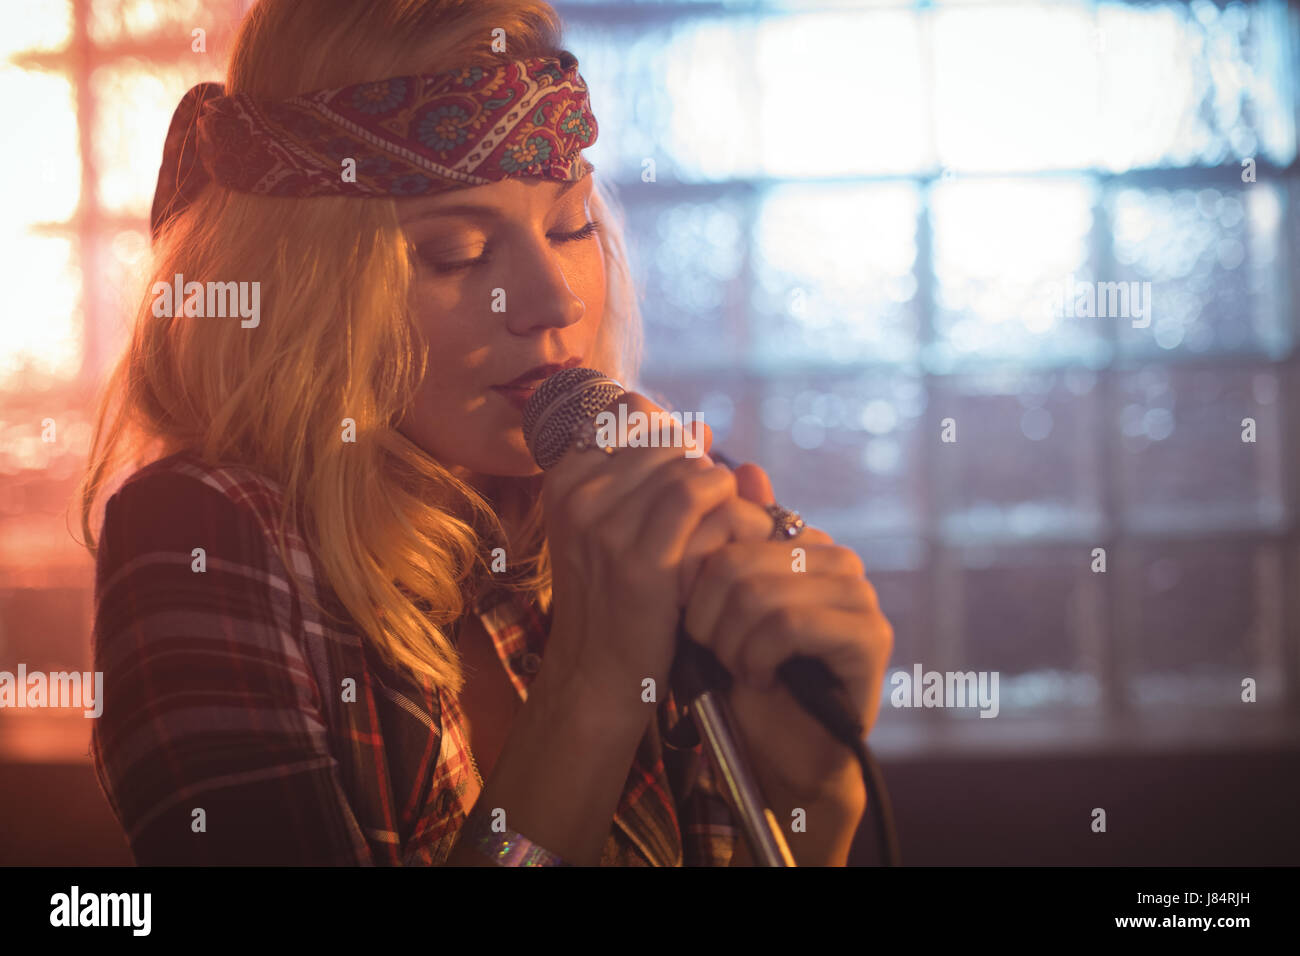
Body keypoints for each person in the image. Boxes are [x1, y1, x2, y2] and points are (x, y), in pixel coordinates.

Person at [77, 0, 893, 866]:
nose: (555, 302)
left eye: (569, 226)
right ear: (301, 287)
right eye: (458, 252)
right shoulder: (200, 538)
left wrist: (810, 796)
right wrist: (594, 682)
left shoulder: (649, 507)